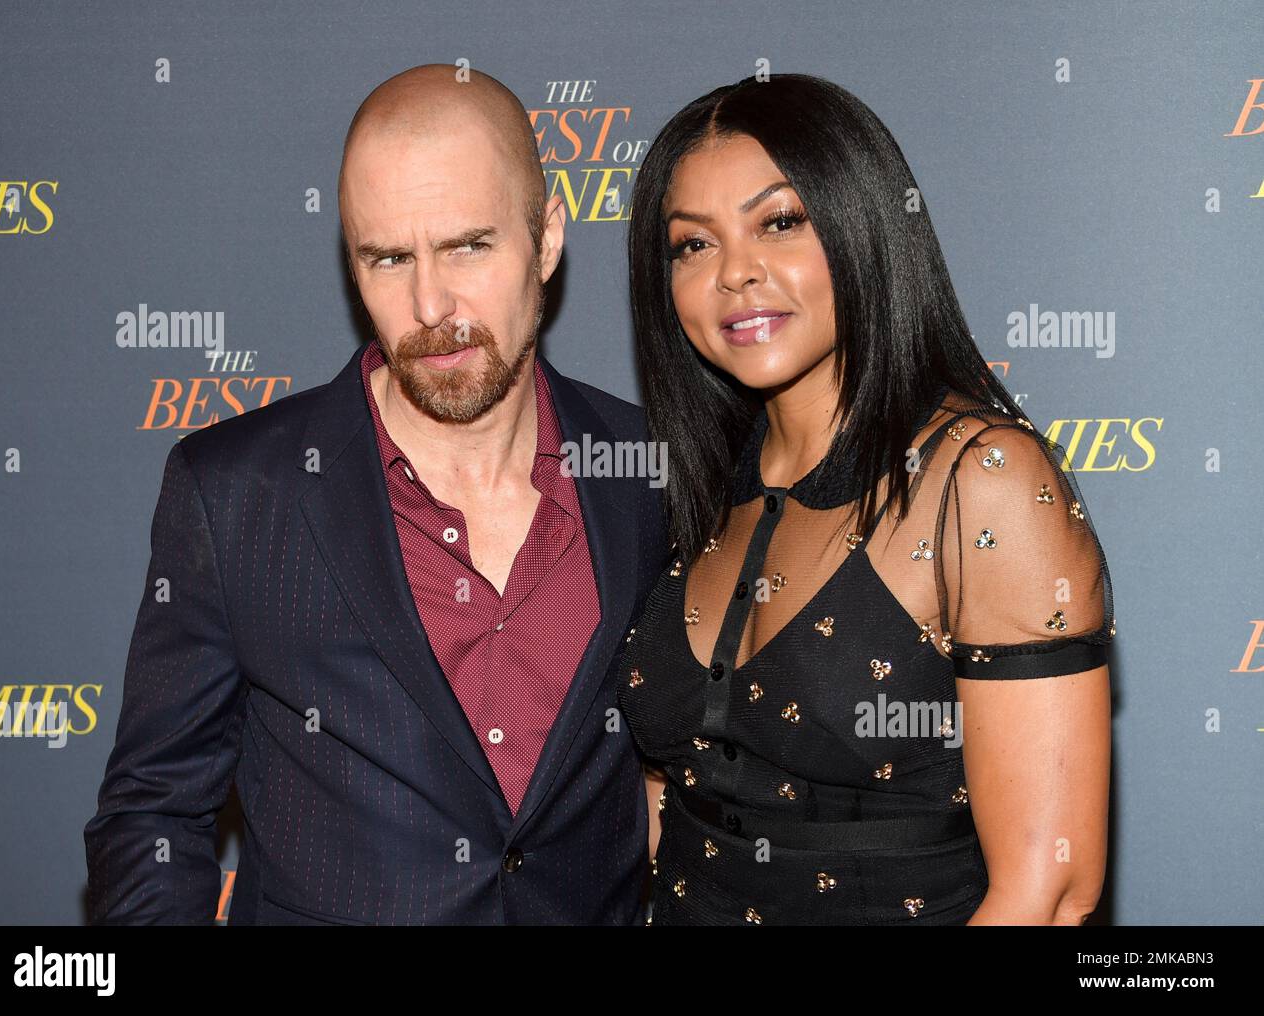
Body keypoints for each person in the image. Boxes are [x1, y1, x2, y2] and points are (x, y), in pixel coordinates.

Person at [84, 64, 670, 925]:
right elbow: (153, 816)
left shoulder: (651, 469)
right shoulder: (237, 492)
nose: (430, 303)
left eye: (469, 245)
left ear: (546, 238)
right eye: (389, 257)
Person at [617, 73, 1115, 925]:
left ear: (864, 227)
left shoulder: (980, 483)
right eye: (692, 245)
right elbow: (678, 801)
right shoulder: (704, 480)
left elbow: (1050, 892)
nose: (736, 273)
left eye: (779, 222)